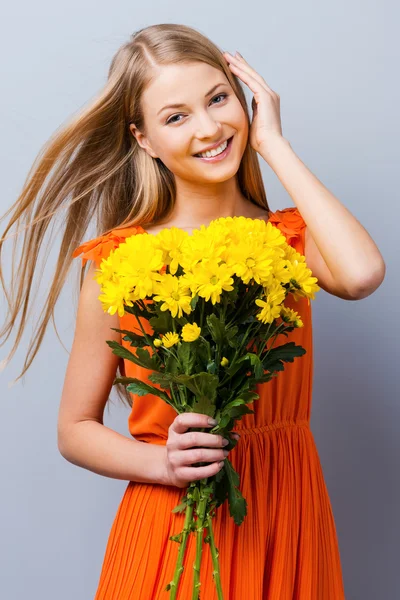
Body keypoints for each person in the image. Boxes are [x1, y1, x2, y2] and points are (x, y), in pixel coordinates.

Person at [0, 23, 385, 600]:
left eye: (219, 98)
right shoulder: (121, 262)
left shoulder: (288, 239)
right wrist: (163, 466)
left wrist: (273, 144)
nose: (209, 128)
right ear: (145, 139)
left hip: (287, 513)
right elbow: (74, 429)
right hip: (175, 526)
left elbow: (361, 275)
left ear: (244, 98)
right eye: (175, 116)